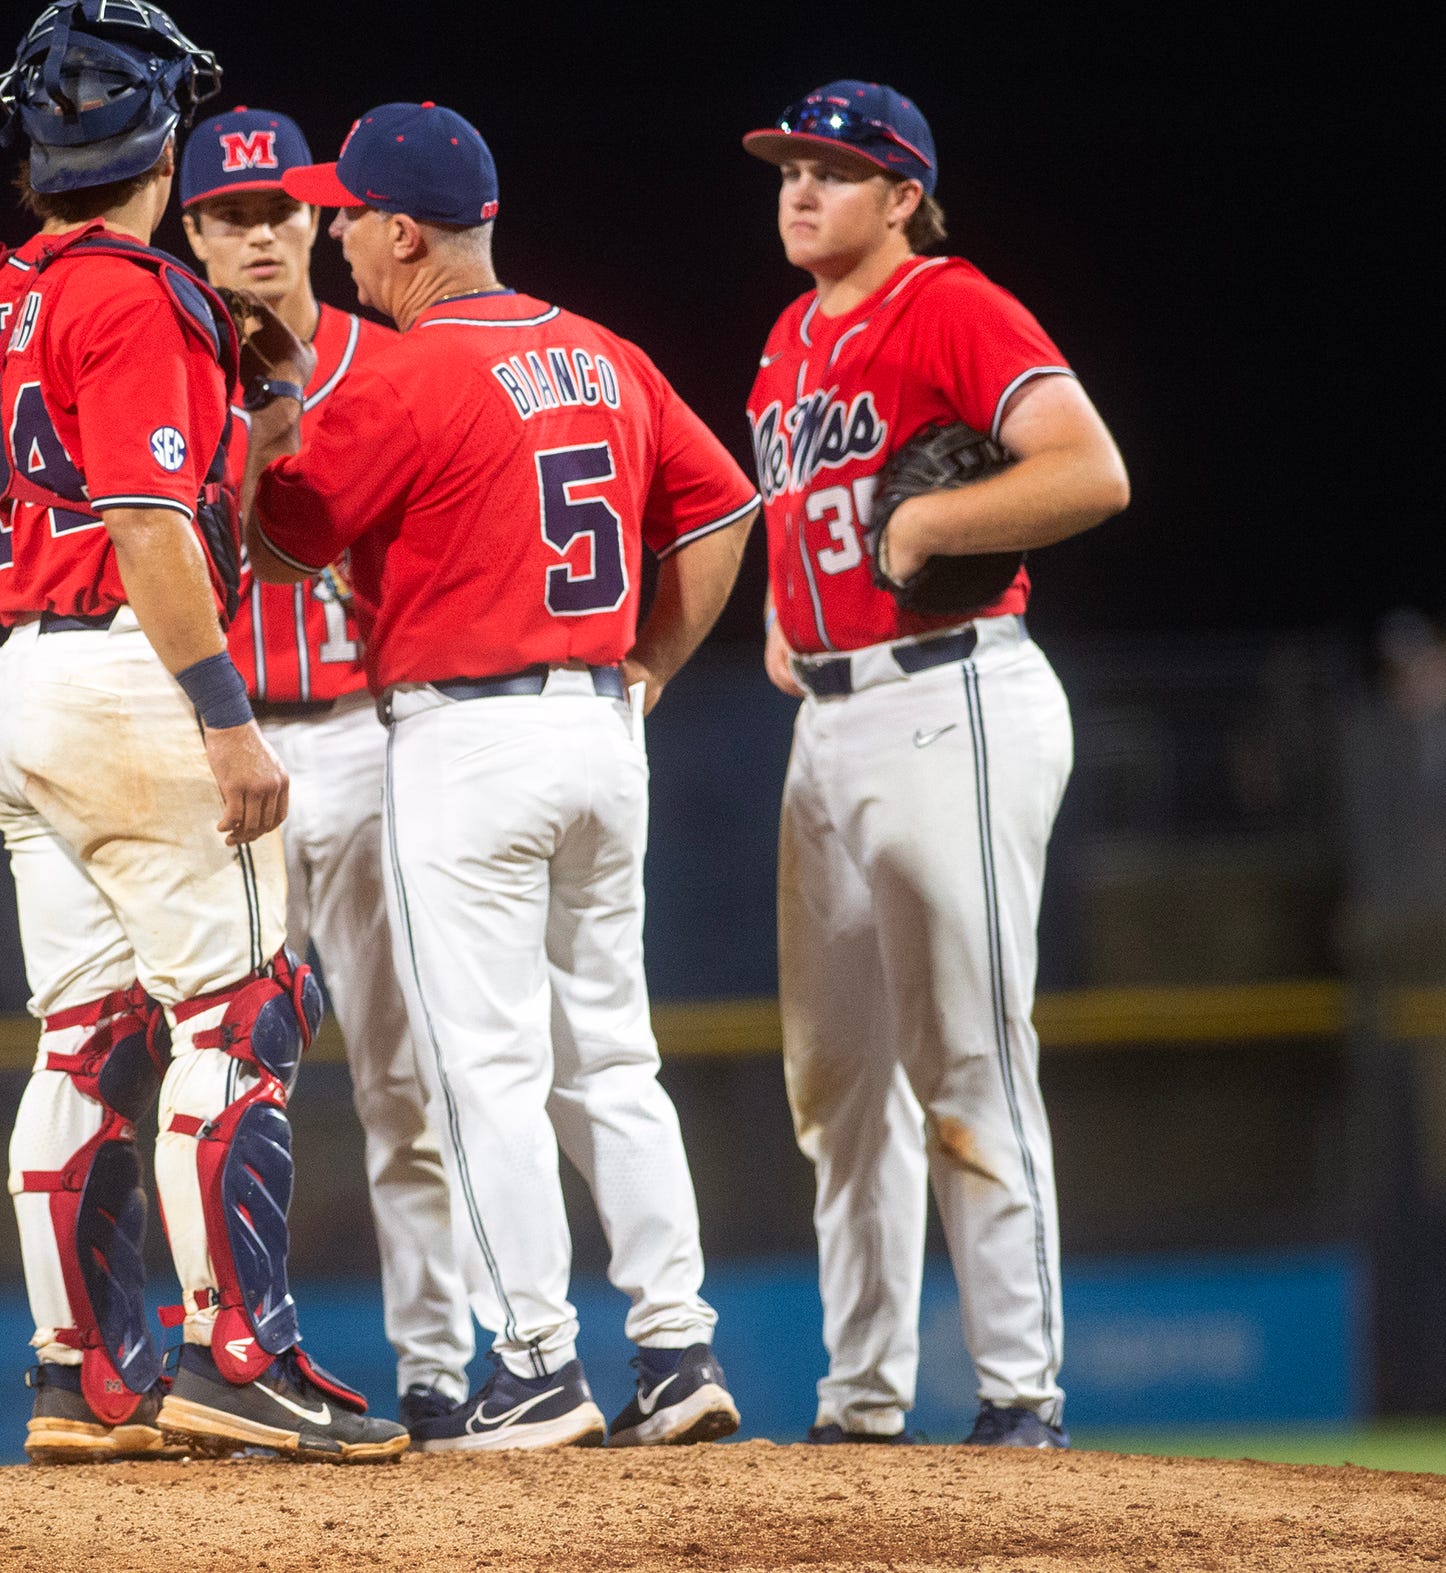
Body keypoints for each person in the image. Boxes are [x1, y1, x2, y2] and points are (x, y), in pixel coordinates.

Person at [0, 0, 406, 1464]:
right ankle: (233, 1356)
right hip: (132, 677)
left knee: (88, 1031)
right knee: (244, 1010)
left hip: (15, 683)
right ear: (159, 137)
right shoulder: (131, 292)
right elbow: (146, 521)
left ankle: (78, 1375)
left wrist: (241, 420)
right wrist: (225, 720)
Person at [250, 103, 757, 1452]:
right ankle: (676, 1344)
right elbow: (720, 508)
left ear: (403, 229)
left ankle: (534, 1358)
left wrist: (253, 424)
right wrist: (647, 665)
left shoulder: (409, 374)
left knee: (483, 1063)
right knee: (611, 1053)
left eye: (348, 213)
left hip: (466, 739)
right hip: (598, 723)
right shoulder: (600, 351)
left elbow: (294, 537)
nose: (338, 234)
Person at [740, 81, 1129, 1449]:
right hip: (830, 720)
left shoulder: (951, 302)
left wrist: (929, 531)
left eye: (832, 171)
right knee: (835, 1084)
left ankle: (1018, 1391)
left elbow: (1088, 471)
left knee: (964, 1055)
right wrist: (794, 607)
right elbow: (805, 522)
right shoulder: (787, 341)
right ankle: (860, 1400)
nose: (798, 189)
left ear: (901, 196)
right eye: (788, 166)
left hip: (952, 695)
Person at [175, 108, 469, 1431]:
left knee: (408, 1074)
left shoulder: (391, 362)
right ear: (187, 231)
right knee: (219, 1070)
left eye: (274, 211)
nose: (254, 233)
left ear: (313, 220)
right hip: (220, 749)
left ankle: (438, 1365)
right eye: (223, 215)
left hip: (364, 732)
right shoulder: (166, 372)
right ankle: (225, 1356)